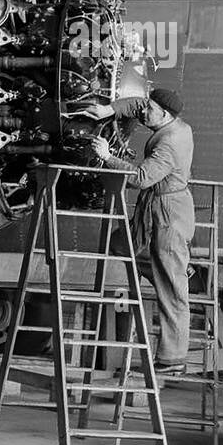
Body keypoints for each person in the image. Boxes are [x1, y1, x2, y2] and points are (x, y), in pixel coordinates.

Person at [88, 88, 194, 374]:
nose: (143, 112)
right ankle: (171, 266)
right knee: (120, 244)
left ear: (164, 114)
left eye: (149, 110)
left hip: (168, 216)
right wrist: (109, 110)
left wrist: (107, 157)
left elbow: (140, 178)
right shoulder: (173, 122)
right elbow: (138, 105)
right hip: (154, 211)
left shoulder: (170, 142)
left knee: (172, 291)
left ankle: (172, 359)